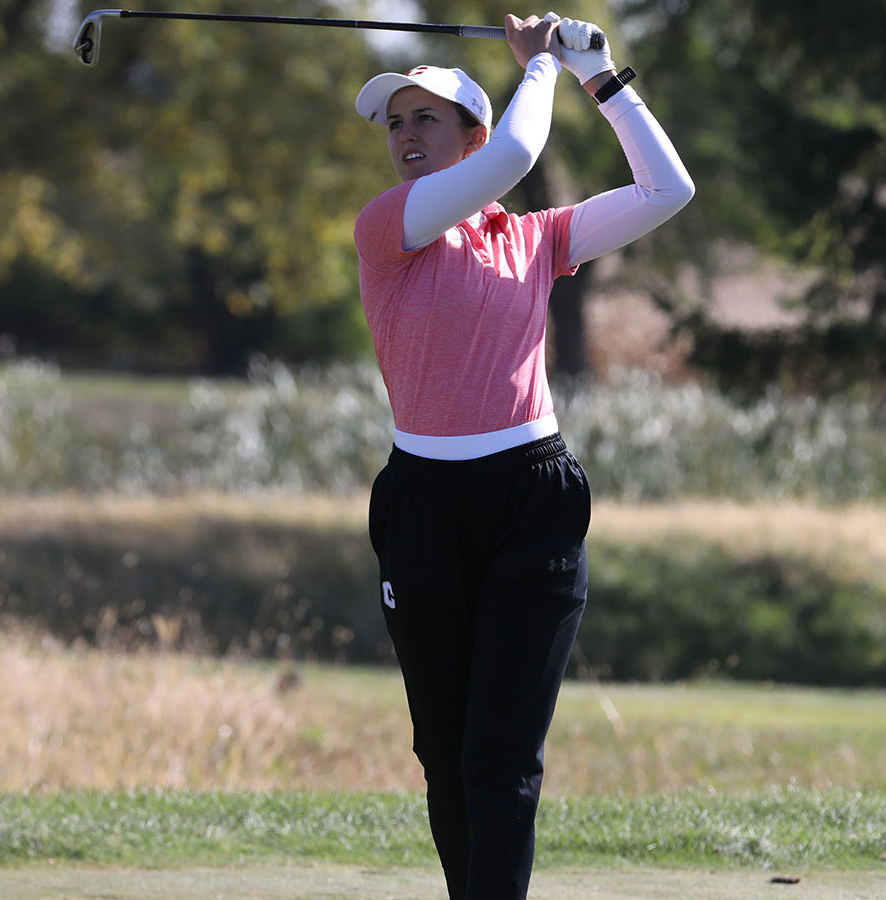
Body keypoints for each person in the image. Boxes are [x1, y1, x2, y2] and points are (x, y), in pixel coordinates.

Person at [352, 11, 693, 900]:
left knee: (500, 758)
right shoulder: (390, 230)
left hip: (530, 497)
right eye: (395, 123)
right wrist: (538, 65)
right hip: (421, 501)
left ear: (469, 130)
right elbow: (512, 155)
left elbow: (667, 190)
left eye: (426, 119)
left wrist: (602, 79)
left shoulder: (534, 239)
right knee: (445, 753)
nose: (406, 137)